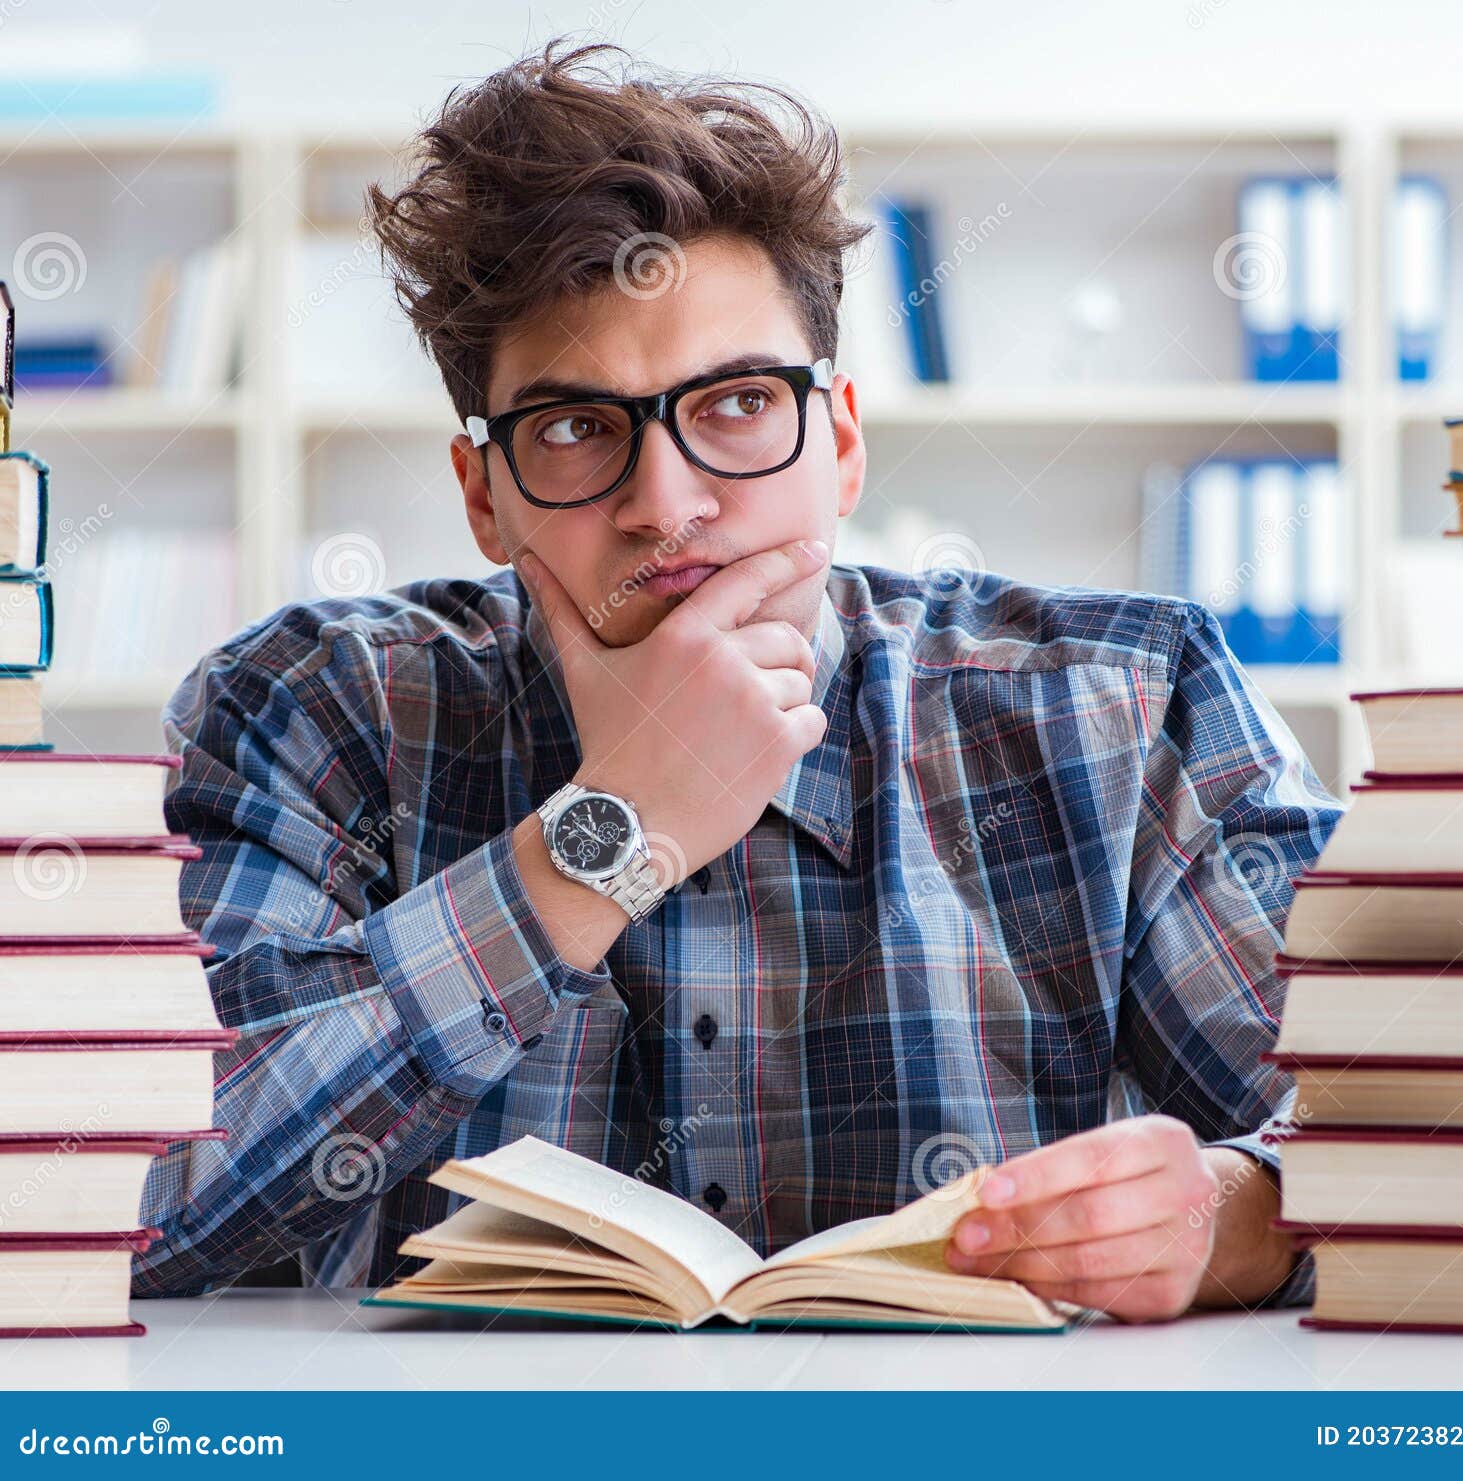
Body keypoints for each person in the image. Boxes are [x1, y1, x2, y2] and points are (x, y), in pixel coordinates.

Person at [135, 39, 1342, 1321]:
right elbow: (124, 1190)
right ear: (484, 496)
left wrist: (1238, 1216)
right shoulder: (311, 707)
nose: (665, 504)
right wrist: (611, 835)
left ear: (843, 440)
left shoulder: (1119, 702)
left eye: (737, 404)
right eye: (571, 428)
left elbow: (1439, 1128)